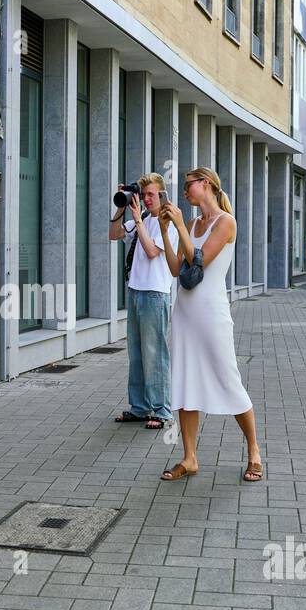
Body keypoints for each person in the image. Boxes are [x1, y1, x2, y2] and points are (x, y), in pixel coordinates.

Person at [157, 167, 264, 483]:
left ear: (206, 184)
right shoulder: (191, 223)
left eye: (189, 185)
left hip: (212, 314)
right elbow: (177, 269)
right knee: (185, 382)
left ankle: (254, 451)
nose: (185, 192)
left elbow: (199, 260)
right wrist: (167, 230)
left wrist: (179, 225)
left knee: (228, 379)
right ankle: (189, 458)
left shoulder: (226, 223)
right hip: (185, 314)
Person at [108, 172, 178, 430]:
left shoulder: (167, 221)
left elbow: (151, 252)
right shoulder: (144, 218)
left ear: (162, 194)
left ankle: (162, 410)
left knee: (154, 354)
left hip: (155, 294)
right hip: (135, 292)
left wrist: (137, 219)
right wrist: (121, 208)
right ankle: (139, 407)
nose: (146, 199)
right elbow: (114, 234)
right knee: (136, 354)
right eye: (143, 194)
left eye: (151, 195)